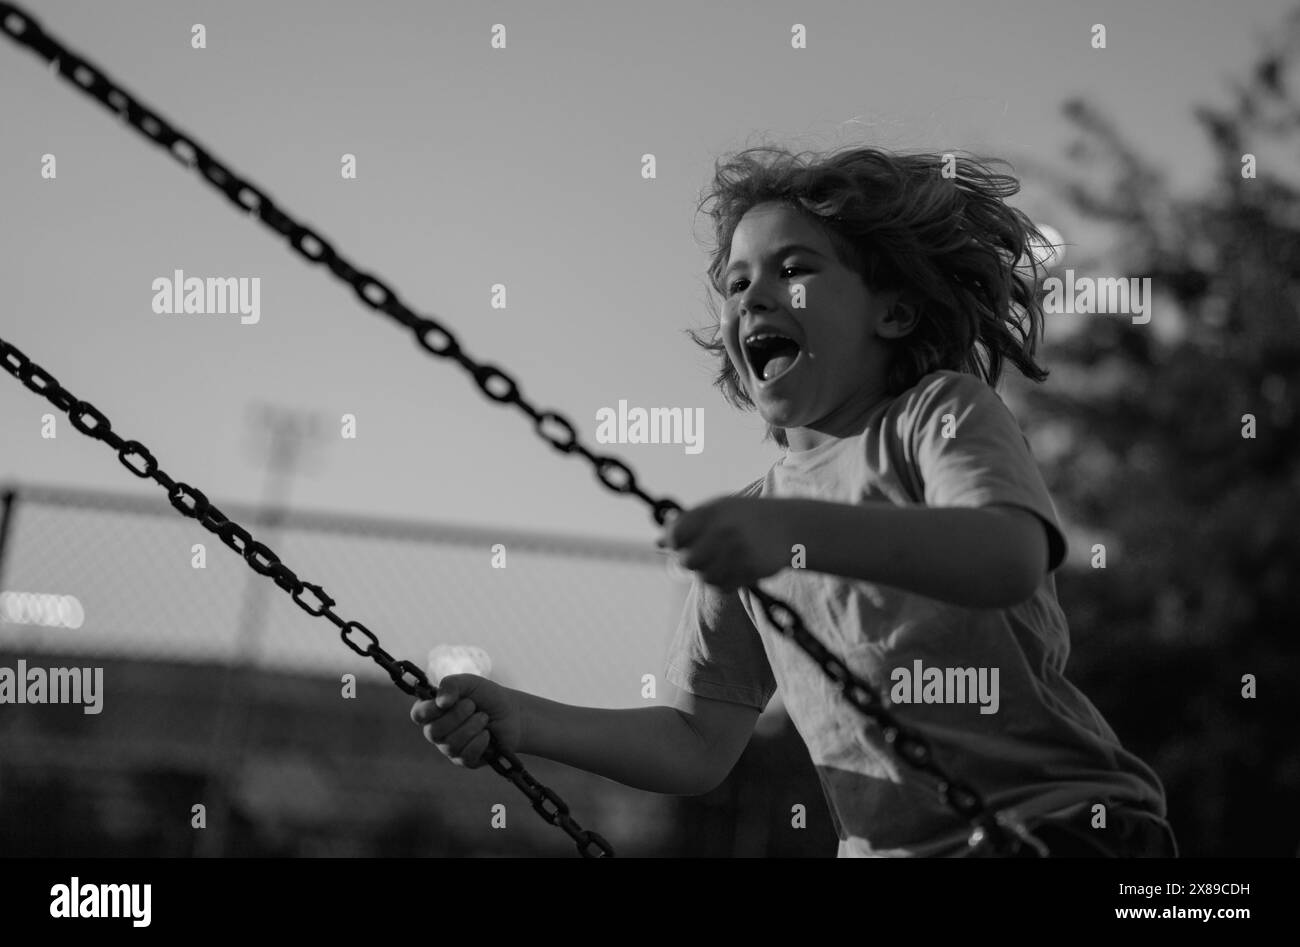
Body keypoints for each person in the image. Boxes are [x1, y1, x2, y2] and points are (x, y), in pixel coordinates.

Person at [411, 144, 1176, 857]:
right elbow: (696, 741)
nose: (755, 296)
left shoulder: (935, 416)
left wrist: (794, 535)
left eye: (793, 268)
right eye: (737, 282)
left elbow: (1007, 554)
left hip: (1062, 826)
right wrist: (527, 721)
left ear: (894, 311)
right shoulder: (752, 527)